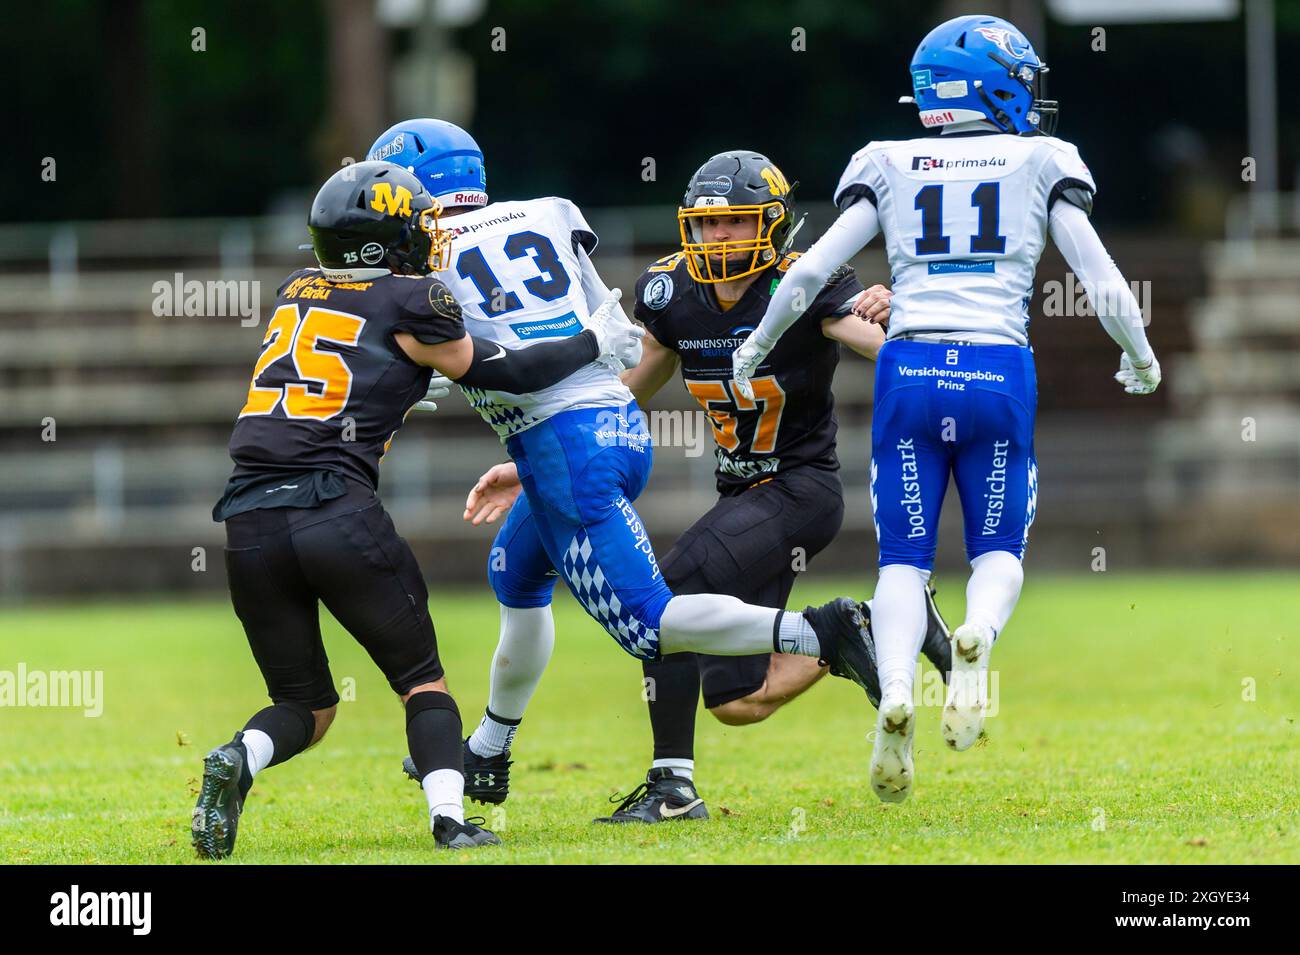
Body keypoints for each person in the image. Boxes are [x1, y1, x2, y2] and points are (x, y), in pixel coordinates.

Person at [366, 119, 884, 810]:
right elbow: (605, 342)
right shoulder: (553, 213)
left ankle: (813, 642)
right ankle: (488, 751)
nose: (718, 240)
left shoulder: (428, 257)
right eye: (708, 226)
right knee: (517, 572)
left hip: (599, 450)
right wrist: (528, 461)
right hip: (594, 430)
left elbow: (499, 352)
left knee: (652, 620)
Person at [732, 15, 1161, 803]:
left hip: (910, 364)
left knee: (902, 561)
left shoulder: (889, 161)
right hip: (996, 366)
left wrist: (754, 348)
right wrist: (1138, 354)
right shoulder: (1041, 159)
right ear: (992, 85)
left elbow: (810, 271)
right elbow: (1099, 277)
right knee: (998, 547)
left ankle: (897, 688)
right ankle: (977, 639)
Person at [192, 160, 644, 856]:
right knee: (421, 682)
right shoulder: (415, 300)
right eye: (415, 223)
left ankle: (237, 756)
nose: (427, 234)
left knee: (306, 706)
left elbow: (347, 359)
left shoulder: (294, 290)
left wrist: (400, 380)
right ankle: (449, 819)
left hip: (248, 520)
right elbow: (506, 370)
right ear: (385, 240)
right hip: (333, 511)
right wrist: (593, 343)